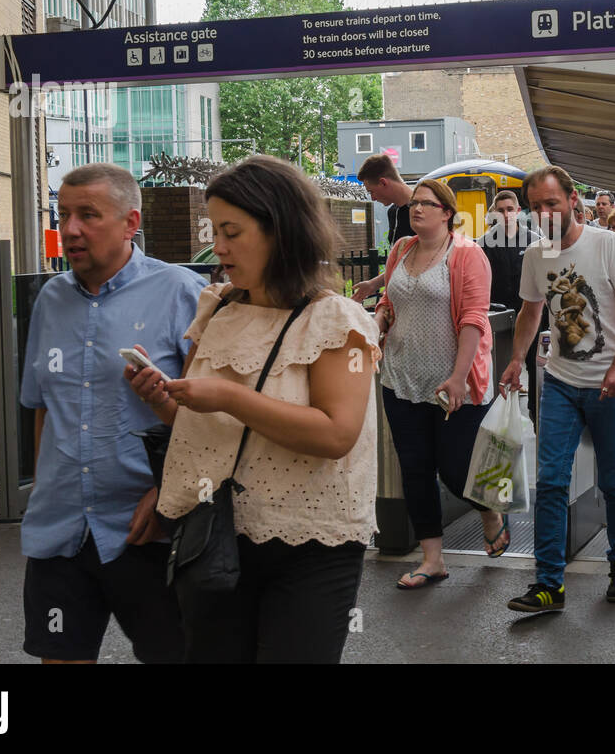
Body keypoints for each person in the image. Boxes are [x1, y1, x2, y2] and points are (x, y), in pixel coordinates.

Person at [127, 156, 378, 663]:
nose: (217, 247)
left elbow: (337, 435)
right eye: (215, 230)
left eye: (231, 231)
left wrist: (231, 397)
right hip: (214, 531)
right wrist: (163, 400)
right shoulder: (216, 306)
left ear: (280, 231)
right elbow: (196, 424)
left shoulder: (335, 321)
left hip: (311, 546)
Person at [19, 163, 208, 664]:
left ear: (130, 222)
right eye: (63, 215)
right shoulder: (50, 300)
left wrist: (169, 491)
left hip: (147, 530)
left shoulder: (181, 292)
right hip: (61, 531)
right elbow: (43, 407)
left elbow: (212, 425)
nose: (71, 229)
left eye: (88, 215)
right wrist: (44, 487)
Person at [499, 165, 615, 612]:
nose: (544, 213)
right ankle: (548, 584)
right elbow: (529, 312)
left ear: (572, 201)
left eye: (552, 203)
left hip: (611, 384)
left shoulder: (606, 244)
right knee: (550, 482)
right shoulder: (535, 255)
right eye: (536, 206)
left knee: (614, 481)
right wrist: (514, 363)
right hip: (561, 383)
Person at [373, 178, 507, 587]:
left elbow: (473, 319)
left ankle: (490, 512)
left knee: (454, 468)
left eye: (426, 204)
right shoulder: (401, 249)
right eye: (413, 203)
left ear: (447, 213)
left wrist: (458, 376)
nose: (416, 209)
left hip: (455, 383)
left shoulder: (467, 255)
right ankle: (432, 559)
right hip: (401, 378)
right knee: (415, 469)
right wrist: (376, 324)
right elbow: (388, 302)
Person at [478, 189, 544, 428]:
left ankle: (537, 420)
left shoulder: (535, 239)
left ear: (518, 211)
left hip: (533, 316)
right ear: (494, 213)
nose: (506, 215)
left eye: (510, 209)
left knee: (536, 373)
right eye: (501, 210)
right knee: (499, 373)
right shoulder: (484, 243)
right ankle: (497, 425)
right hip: (498, 319)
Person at [350, 153, 415, 304]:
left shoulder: (421, 211)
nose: (372, 198)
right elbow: (400, 263)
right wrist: (373, 284)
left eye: (371, 191)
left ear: (383, 183)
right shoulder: (393, 212)